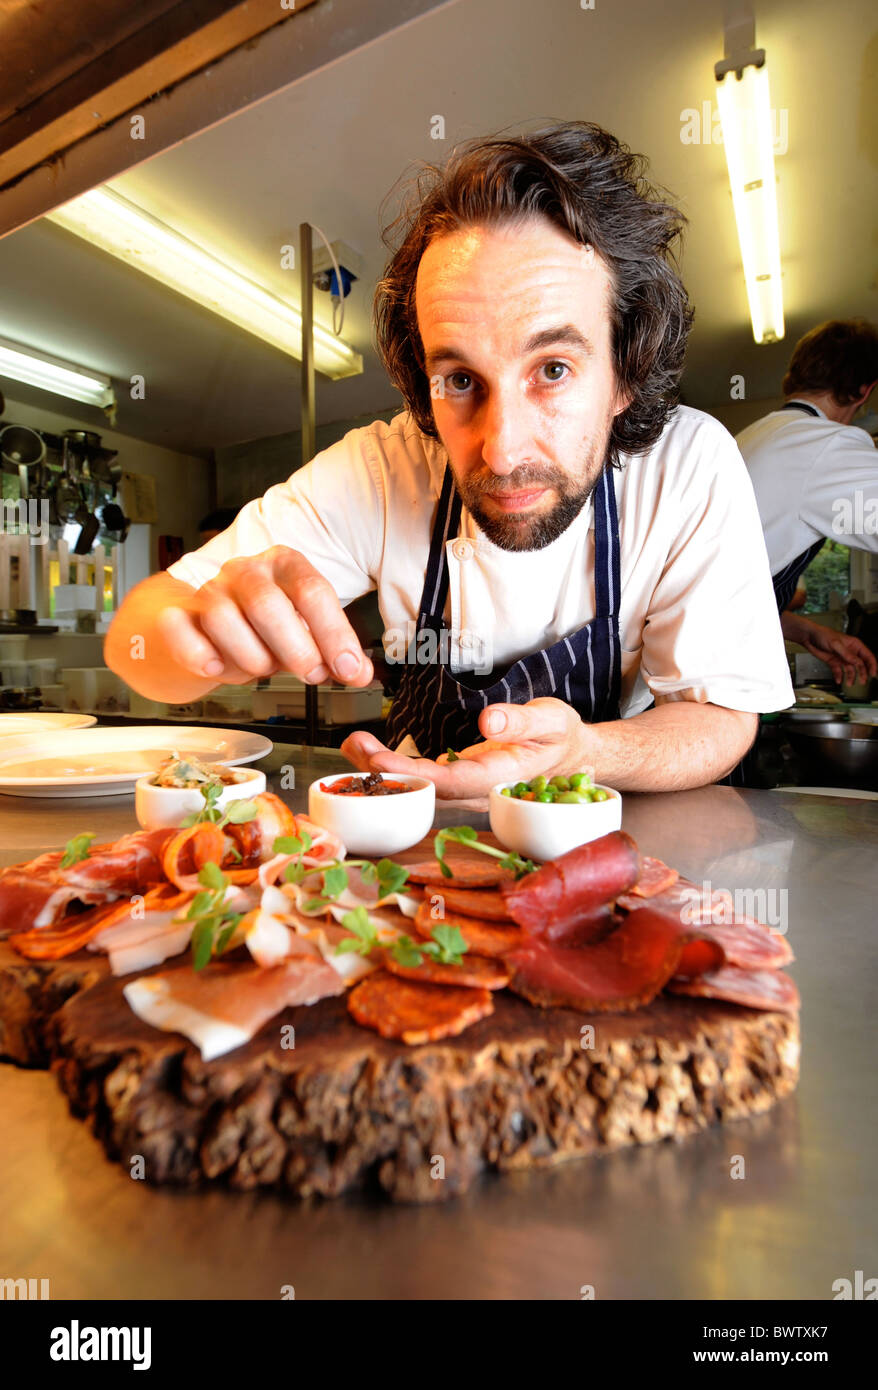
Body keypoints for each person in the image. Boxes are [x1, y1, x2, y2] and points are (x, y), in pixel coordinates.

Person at [106, 121, 794, 799]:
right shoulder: (380, 469)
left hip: (602, 843)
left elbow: (721, 717)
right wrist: (197, 643)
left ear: (625, 372)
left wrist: (584, 751)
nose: (502, 448)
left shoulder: (689, 465)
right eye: (461, 380)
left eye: (552, 368)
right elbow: (135, 637)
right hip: (414, 847)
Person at [736, 320, 878, 689]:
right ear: (865, 390)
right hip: (709, 678)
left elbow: (726, 592)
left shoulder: (753, 436)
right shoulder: (828, 445)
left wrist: (805, 631)